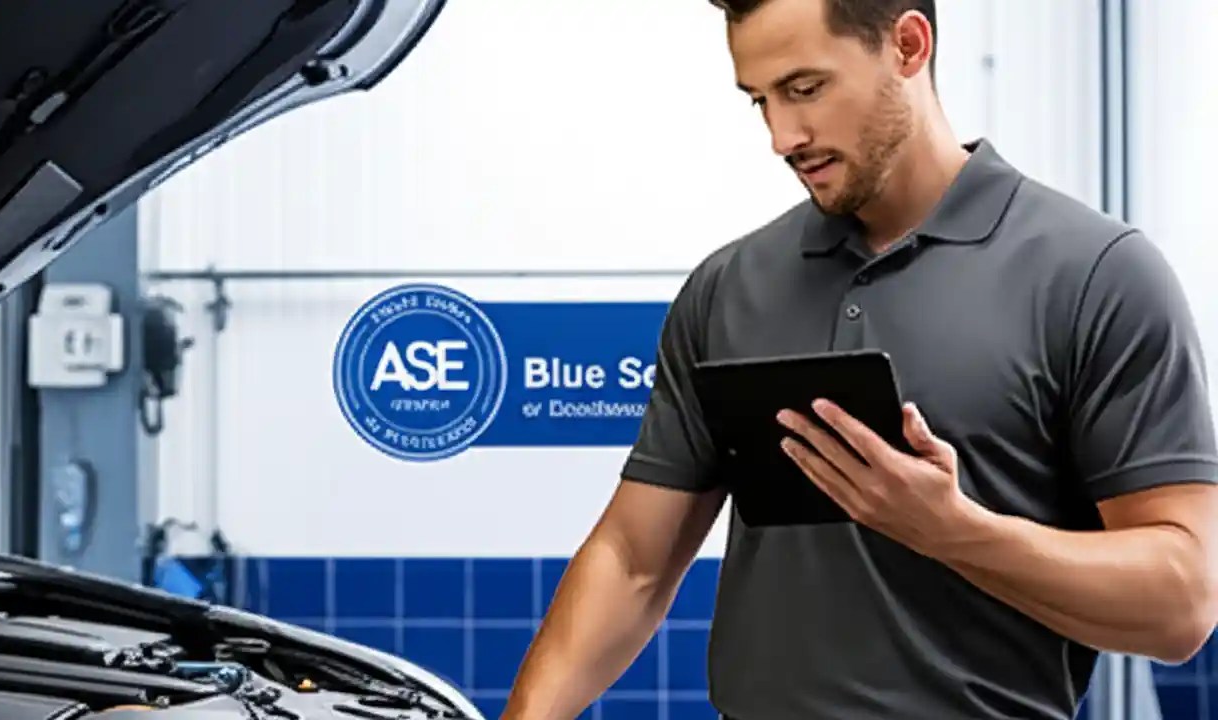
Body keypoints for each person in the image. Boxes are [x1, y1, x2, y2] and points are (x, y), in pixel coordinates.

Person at [502, 0, 1218, 718]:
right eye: (760, 100)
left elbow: (1181, 604)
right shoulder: (728, 288)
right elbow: (632, 560)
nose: (782, 136)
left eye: (805, 89)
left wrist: (956, 532)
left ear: (908, 45)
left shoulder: (1096, 275)